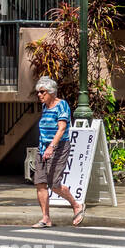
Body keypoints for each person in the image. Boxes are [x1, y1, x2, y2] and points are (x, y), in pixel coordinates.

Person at [34, 76, 83, 228]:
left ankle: (76, 205)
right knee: (40, 183)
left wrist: (51, 147)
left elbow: (61, 128)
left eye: (42, 92)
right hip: (42, 148)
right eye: (38, 92)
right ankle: (46, 218)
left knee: (54, 184)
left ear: (51, 92)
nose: (39, 95)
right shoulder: (45, 106)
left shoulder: (61, 105)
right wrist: (44, 147)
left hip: (58, 148)